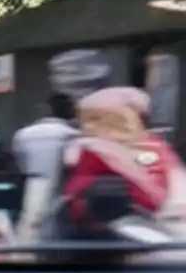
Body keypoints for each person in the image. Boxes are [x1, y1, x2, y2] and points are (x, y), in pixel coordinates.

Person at [63, 87, 186, 243]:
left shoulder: (153, 146)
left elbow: (161, 187)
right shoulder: (87, 148)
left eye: (97, 118)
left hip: (141, 228)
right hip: (98, 231)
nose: (89, 125)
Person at [13, 93, 79, 245]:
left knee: (30, 226)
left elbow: (21, 163)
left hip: (32, 184)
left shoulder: (23, 134)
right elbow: (73, 162)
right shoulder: (73, 135)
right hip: (62, 187)